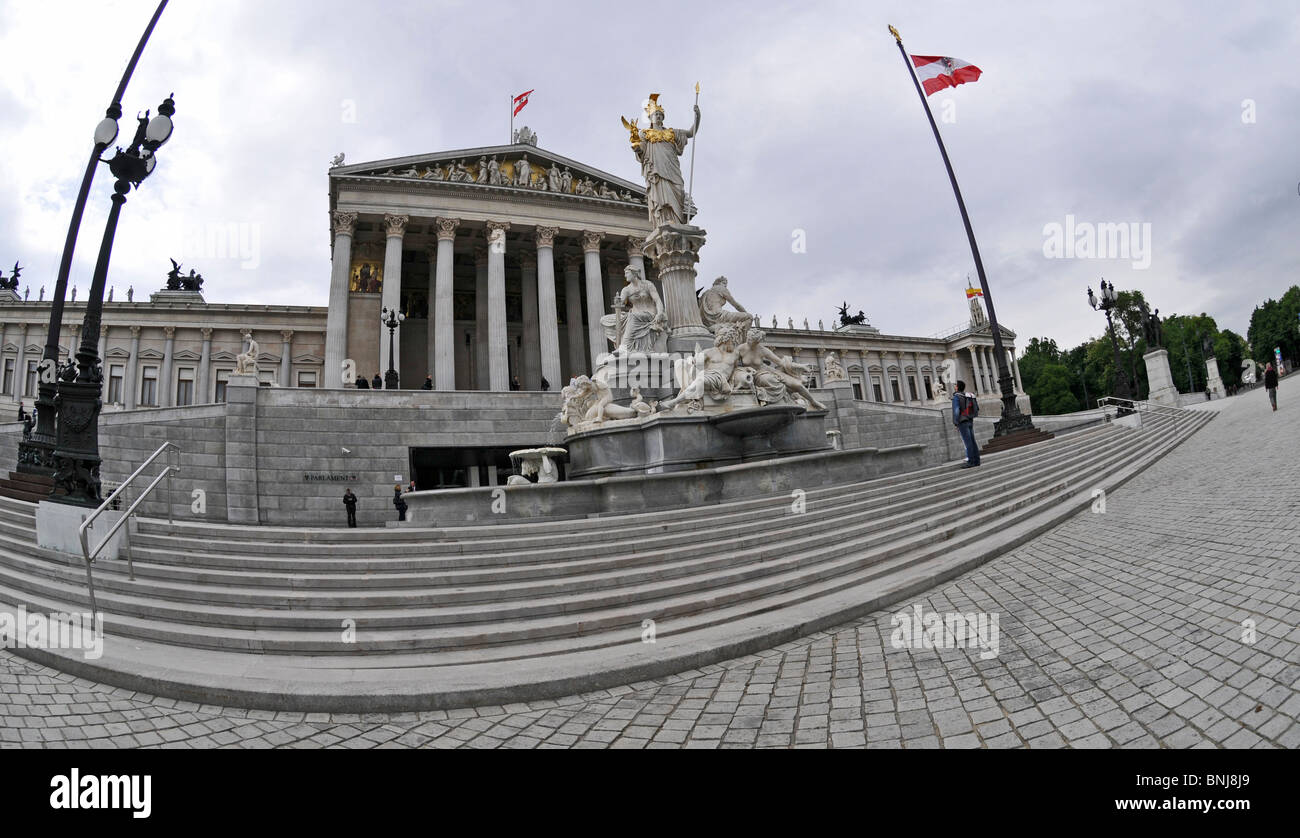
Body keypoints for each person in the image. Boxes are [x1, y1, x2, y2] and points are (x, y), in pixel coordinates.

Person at [952, 379, 981, 467]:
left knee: (967, 442)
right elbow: (977, 408)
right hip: (969, 420)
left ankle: (971, 461)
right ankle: (977, 461)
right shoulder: (967, 396)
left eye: (955, 385)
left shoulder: (956, 397)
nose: (954, 386)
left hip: (962, 421)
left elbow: (956, 410)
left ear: (957, 387)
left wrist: (956, 422)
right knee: (972, 441)